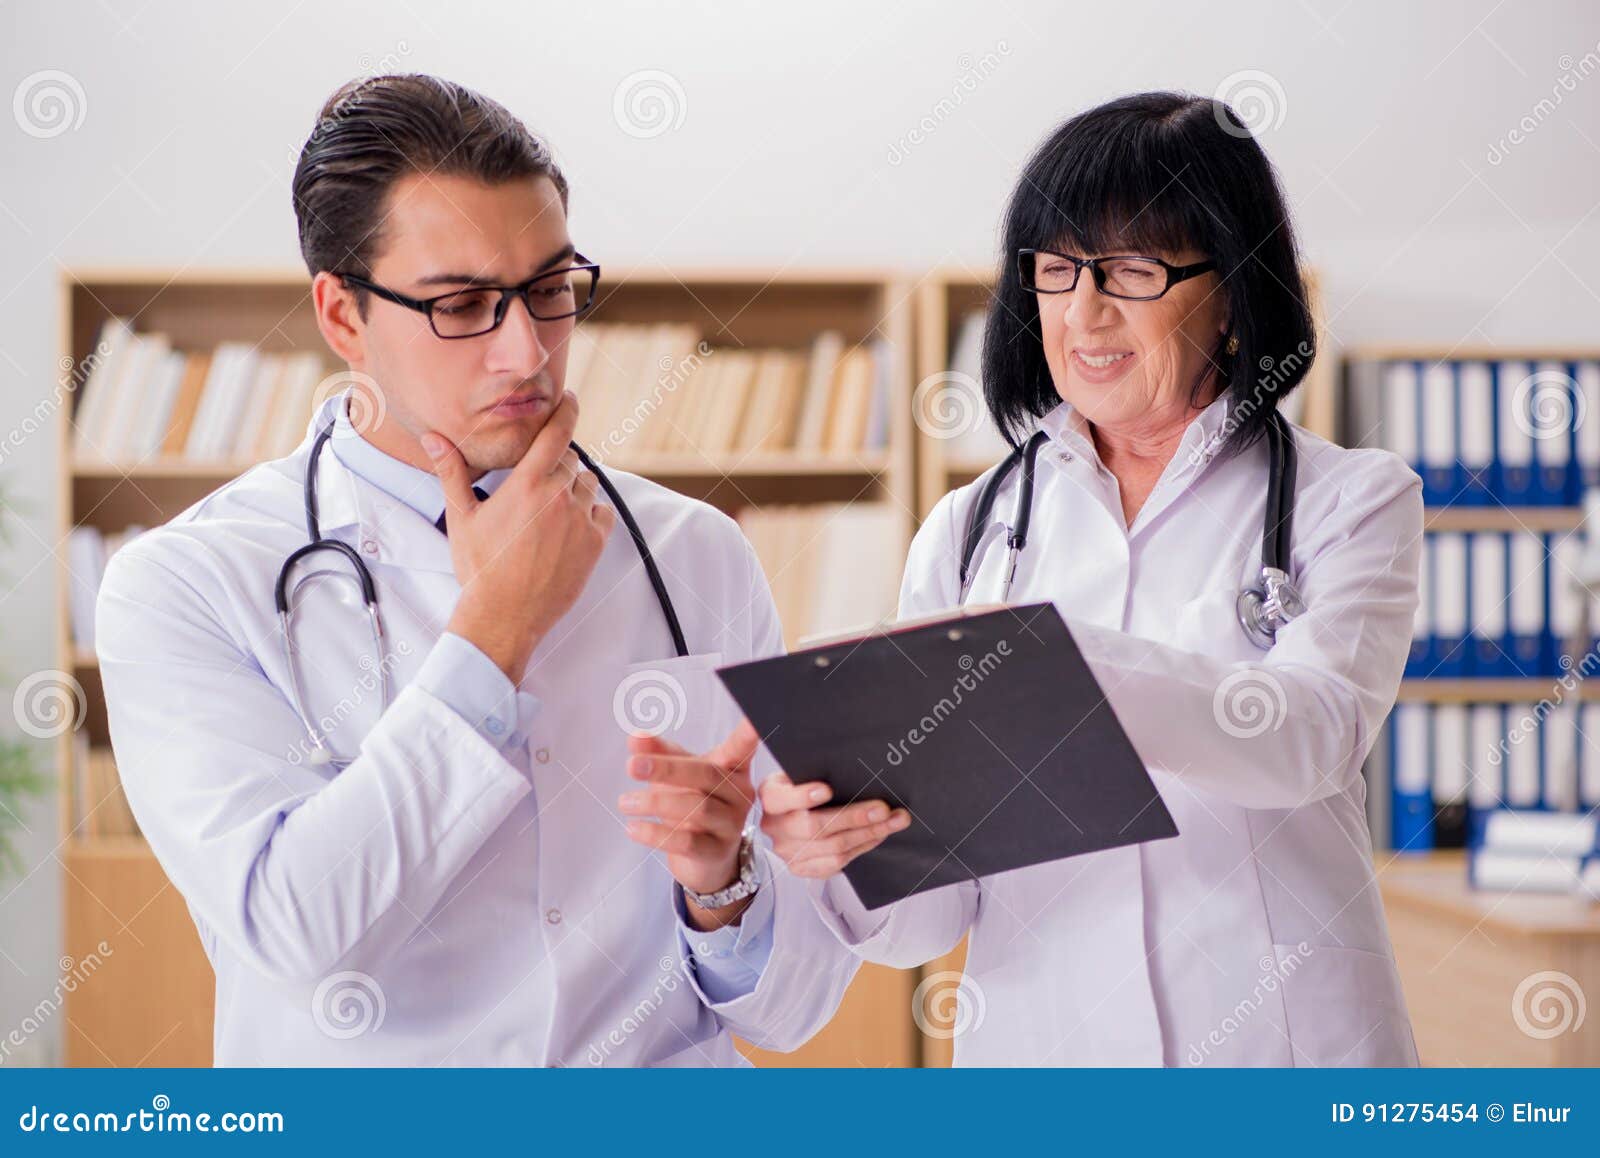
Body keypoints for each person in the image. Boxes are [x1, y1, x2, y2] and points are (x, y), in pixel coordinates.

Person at [95, 73, 858, 1066]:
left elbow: (793, 1012)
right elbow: (297, 934)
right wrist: (496, 630)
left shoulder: (691, 553)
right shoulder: (188, 581)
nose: (526, 351)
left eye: (549, 291)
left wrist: (723, 888)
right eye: (461, 304)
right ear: (340, 318)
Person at [759, 91, 1424, 1067]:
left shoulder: (1348, 500)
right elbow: (932, 917)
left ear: (1234, 285)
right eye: (1058, 269)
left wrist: (1048, 662)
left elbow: (1306, 740)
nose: (1085, 312)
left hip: (1281, 1050)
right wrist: (847, 851)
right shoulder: (967, 532)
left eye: (1133, 268)